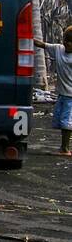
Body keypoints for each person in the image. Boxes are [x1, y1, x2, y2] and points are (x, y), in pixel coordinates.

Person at [33, 25, 72, 156]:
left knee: (67, 121)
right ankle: (63, 146)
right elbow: (42, 44)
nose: (67, 44)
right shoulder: (58, 49)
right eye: (66, 41)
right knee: (60, 120)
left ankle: (65, 148)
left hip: (71, 96)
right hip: (62, 94)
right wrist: (26, 38)